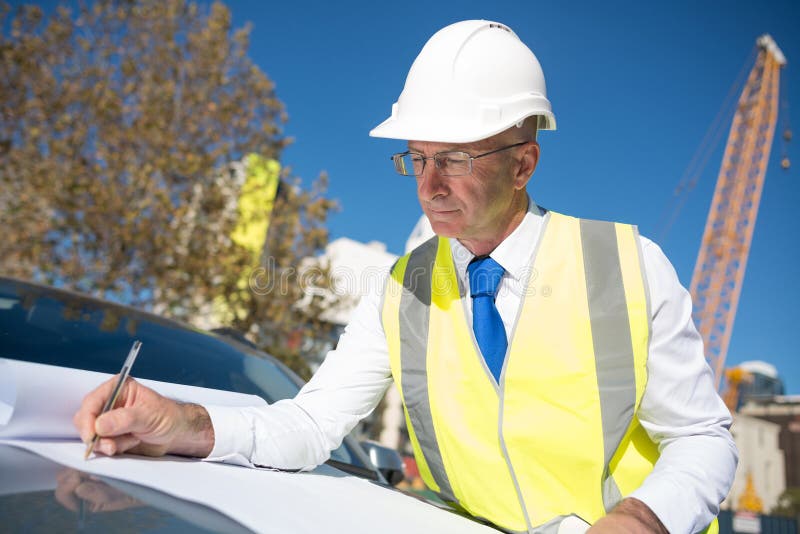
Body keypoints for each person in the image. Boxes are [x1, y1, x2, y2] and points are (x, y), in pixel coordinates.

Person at [74, 20, 737, 533]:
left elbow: (703, 439)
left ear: (523, 164)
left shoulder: (624, 265)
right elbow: (307, 425)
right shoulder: (400, 289)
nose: (428, 185)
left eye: (452, 158)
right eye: (416, 158)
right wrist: (183, 422)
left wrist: (639, 519)